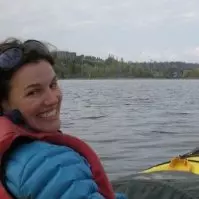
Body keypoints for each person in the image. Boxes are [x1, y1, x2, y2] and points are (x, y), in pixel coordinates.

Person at [0, 38, 127, 199]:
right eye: (33, 92)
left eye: (53, 85)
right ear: (4, 103)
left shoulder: (14, 157)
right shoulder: (52, 165)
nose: (53, 99)